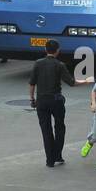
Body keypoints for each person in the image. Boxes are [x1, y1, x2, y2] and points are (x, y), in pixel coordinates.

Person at [29, 40, 75, 168]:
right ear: (58, 51)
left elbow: (32, 83)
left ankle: (50, 160)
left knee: (46, 130)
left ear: (45, 49)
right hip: (56, 101)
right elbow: (71, 82)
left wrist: (32, 99)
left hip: (41, 101)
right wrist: (85, 81)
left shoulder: (38, 64)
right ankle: (58, 155)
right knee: (60, 127)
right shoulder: (60, 65)